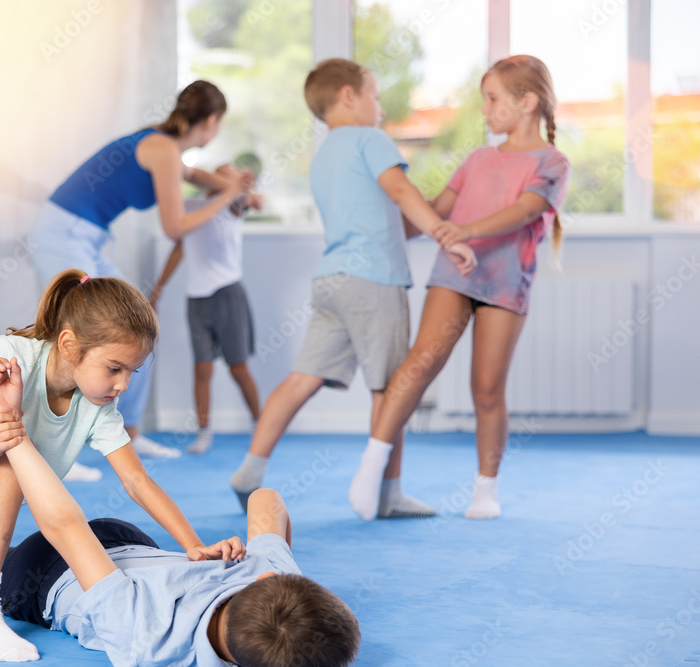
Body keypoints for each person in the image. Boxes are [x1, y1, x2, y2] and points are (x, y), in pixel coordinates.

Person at [0, 269, 244, 664]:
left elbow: (137, 480)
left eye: (131, 372)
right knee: (13, 455)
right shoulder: (7, 363)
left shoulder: (99, 406)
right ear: (69, 345)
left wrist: (192, 545)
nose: (123, 384)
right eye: (114, 368)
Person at [0, 355, 360, 667]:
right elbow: (265, 499)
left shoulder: (146, 644)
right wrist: (208, 558)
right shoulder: (152, 645)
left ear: (267, 581)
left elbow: (66, 529)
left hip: (43, 577)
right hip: (127, 541)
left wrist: (11, 428)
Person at [228, 59, 478, 520]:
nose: (380, 107)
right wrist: (445, 232)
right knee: (392, 389)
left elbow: (391, 221)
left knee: (303, 378)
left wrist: (436, 211)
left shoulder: (324, 155)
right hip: (374, 282)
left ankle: (249, 470)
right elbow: (402, 192)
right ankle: (388, 494)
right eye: (376, 96)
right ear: (348, 96)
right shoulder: (371, 139)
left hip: (332, 280)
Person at [353, 55, 571, 520]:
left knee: (487, 389)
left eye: (492, 99)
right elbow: (436, 209)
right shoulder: (477, 159)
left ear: (527, 101)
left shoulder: (553, 161)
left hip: (505, 286)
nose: (485, 110)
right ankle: (371, 464)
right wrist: (384, 217)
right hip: (455, 273)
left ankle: (485, 489)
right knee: (419, 363)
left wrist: (467, 231)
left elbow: (526, 211)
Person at [28, 80, 255, 462]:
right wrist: (232, 195)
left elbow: (202, 180)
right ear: (212, 121)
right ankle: (49, 451)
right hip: (62, 231)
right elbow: (175, 227)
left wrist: (239, 191)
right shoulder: (162, 148)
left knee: (138, 323)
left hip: (88, 237)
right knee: (69, 335)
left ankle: (127, 436)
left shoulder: (166, 149)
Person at [149, 161, 264, 454]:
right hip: (196, 299)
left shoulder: (232, 206)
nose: (224, 176)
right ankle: (204, 432)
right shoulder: (191, 207)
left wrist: (246, 192)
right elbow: (180, 247)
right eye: (221, 172)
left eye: (231, 174)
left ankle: (260, 425)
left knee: (238, 369)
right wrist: (159, 287)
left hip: (228, 294)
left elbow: (253, 202)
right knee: (202, 370)